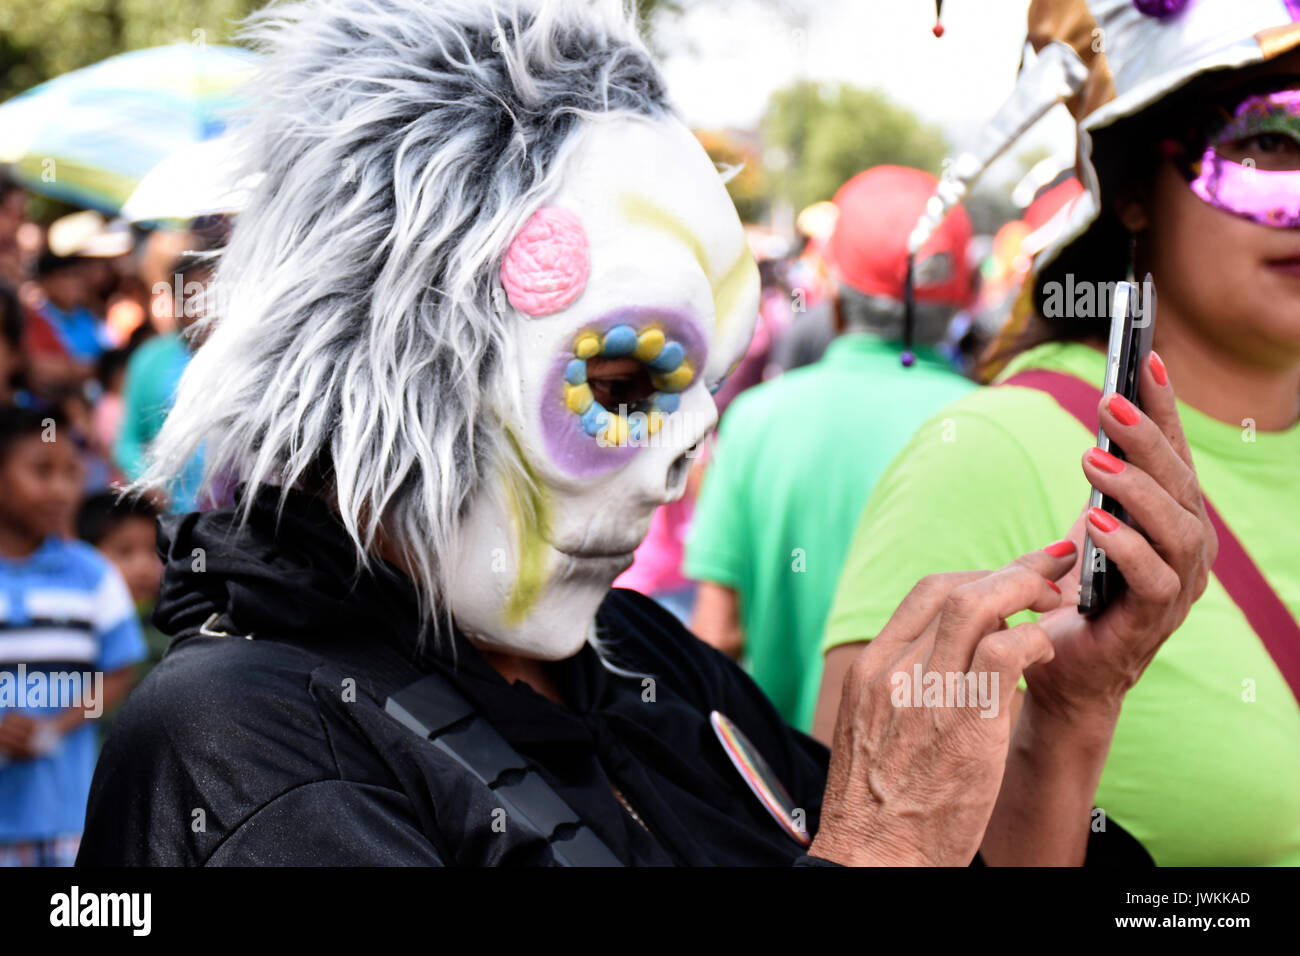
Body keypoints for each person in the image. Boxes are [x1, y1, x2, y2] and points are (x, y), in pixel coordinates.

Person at [78, 0, 1211, 867]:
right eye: (623, 377)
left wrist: (1065, 715)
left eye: (705, 386)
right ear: (398, 356)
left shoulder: (636, 658)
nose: (682, 460)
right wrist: (876, 850)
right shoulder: (238, 740)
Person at [817, 0, 1300, 865]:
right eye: (1269, 140)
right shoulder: (984, 459)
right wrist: (1069, 719)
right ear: (1133, 189)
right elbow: (865, 834)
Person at [685, 166, 978, 731]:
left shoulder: (756, 421)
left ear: (835, 288)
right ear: (959, 294)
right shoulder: (993, 426)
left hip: (776, 794)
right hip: (939, 805)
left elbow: (715, 635)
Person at [0, 407, 145, 866]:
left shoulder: (92, 575)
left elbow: (118, 673)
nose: (61, 489)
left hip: (67, 818)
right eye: (41, 471)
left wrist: (54, 727)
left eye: (70, 472)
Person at [114, 252, 210, 512]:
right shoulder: (150, 360)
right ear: (176, 303)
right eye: (191, 298)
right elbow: (128, 440)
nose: (202, 309)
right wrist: (148, 484)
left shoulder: (245, 358)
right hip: (171, 515)